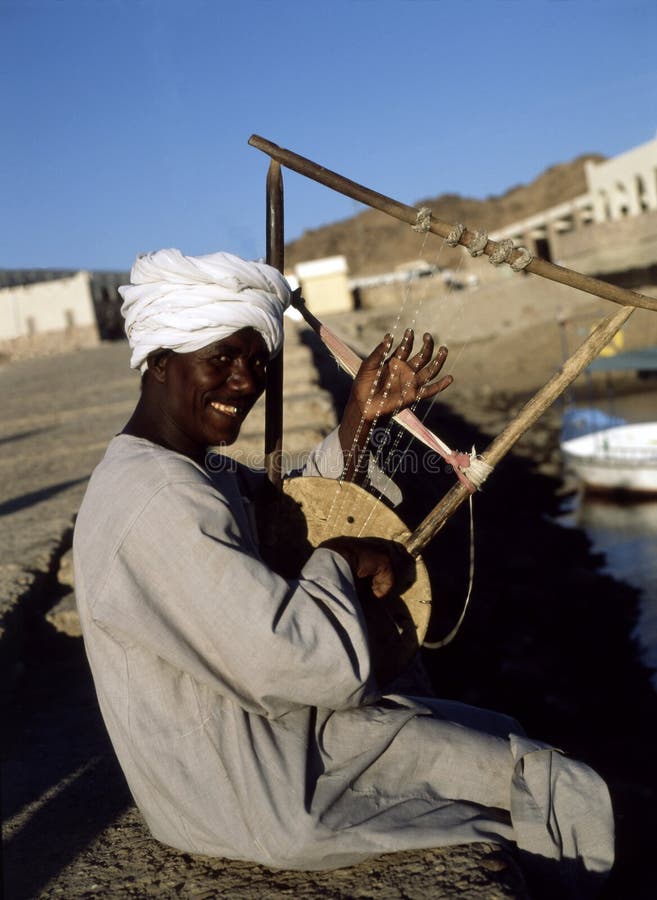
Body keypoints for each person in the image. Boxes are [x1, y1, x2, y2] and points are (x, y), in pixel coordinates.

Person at [73, 248, 614, 897]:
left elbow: (289, 512)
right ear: (160, 360)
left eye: (256, 361)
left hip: (248, 754)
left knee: (499, 739)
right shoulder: (161, 501)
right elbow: (292, 660)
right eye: (219, 359)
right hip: (259, 791)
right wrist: (343, 559)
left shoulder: (179, 473)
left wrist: (359, 418)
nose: (244, 382)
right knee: (548, 784)